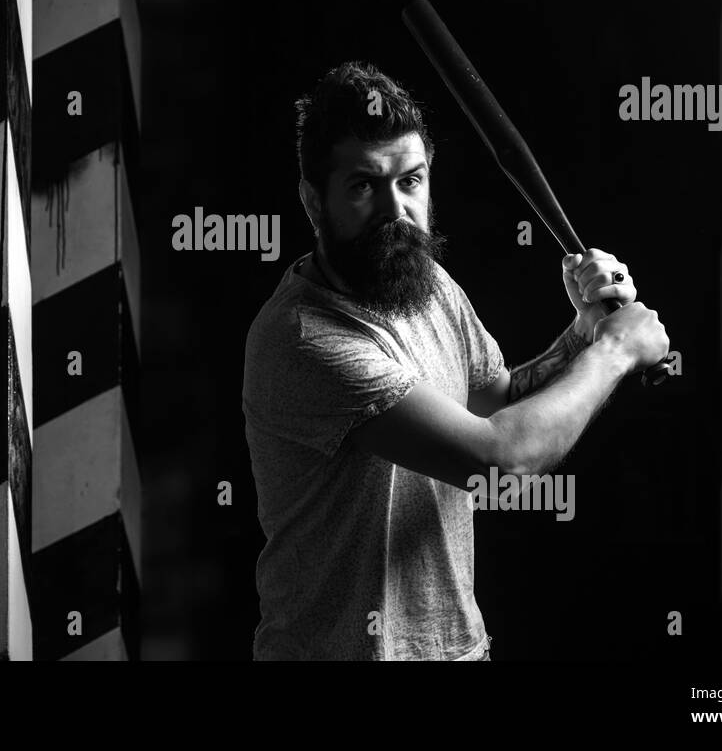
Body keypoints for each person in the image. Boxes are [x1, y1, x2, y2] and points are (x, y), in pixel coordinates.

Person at [241, 60, 670, 660]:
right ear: (314, 201)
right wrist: (616, 350)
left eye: (411, 181)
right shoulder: (304, 337)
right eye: (365, 186)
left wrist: (583, 332)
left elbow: (495, 404)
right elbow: (497, 460)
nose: (396, 212)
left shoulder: (430, 286)